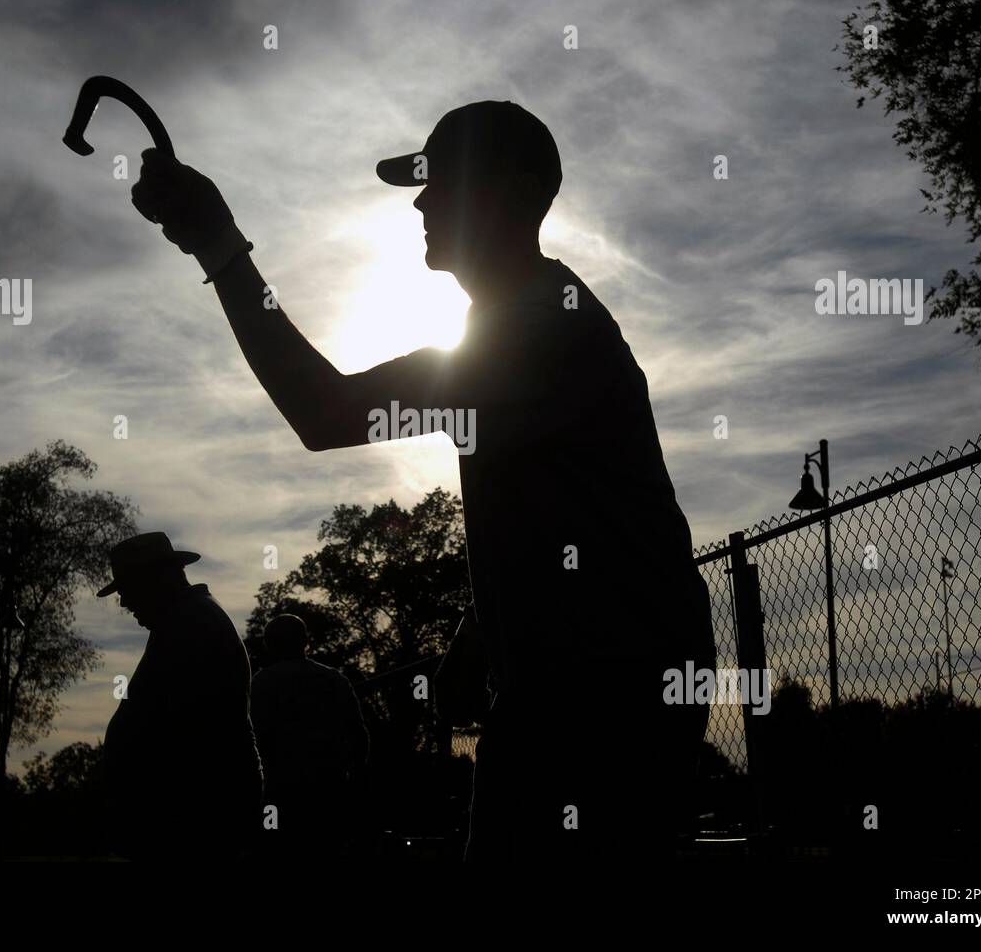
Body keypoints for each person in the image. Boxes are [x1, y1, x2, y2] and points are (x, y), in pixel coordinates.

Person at [129, 101, 716, 862]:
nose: (420, 200)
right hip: (600, 685)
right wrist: (481, 635)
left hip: (604, 696)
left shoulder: (538, 331)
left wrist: (217, 243)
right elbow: (559, 516)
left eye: (440, 182)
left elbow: (323, 410)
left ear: (505, 190)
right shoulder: (525, 325)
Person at [99, 532, 263, 860]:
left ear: (159, 578)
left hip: (201, 810)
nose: (124, 601)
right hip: (198, 806)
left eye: (129, 588)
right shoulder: (184, 619)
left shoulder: (190, 622)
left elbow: (176, 727)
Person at [249, 614, 369, 857]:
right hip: (328, 794)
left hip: (278, 791)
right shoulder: (334, 680)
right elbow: (359, 736)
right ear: (304, 641)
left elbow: (249, 739)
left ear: (269, 644)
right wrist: (352, 780)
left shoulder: (261, 684)